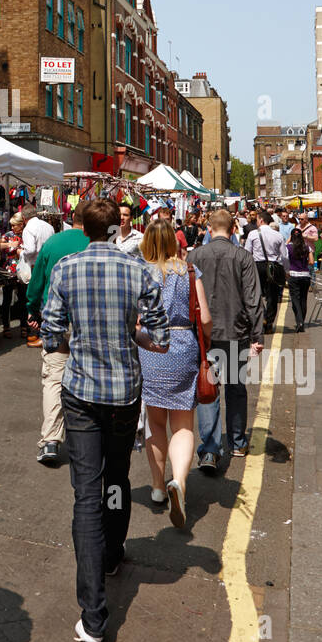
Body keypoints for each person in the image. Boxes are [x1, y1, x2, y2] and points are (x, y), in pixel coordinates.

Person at [40, 199, 170, 642]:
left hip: (80, 394)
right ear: (117, 228)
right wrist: (128, 334)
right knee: (116, 478)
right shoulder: (138, 271)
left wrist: (79, 336)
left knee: (85, 494)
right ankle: (112, 555)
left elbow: (51, 334)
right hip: (123, 394)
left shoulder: (66, 268)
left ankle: (93, 615)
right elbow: (160, 337)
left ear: (81, 226)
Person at [139, 221, 212, 529]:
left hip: (150, 349)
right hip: (183, 348)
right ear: (174, 241)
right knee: (182, 425)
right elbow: (205, 319)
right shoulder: (189, 272)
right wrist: (204, 340)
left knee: (155, 423)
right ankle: (179, 482)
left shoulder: (140, 272)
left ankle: (157, 487)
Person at [190, 208, 264, 470]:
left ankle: (209, 450)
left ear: (209, 229)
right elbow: (253, 299)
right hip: (237, 332)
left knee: (208, 392)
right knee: (236, 388)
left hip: (204, 335)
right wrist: (258, 335)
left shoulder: (194, 256)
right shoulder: (243, 257)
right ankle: (237, 441)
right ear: (233, 229)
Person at [25, 203, 89, 466]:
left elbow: (36, 282)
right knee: (86, 377)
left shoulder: (52, 243)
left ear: (72, 218)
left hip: (55, 321)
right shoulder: (95, 244)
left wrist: (32, 310)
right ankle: (84, 438)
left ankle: (51, 440)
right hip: (88, 323)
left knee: (53, 379)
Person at [245, 209, 289, 334]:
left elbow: (247, 253)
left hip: (257, 266)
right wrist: (286, 270)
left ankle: (262, 315)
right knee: (272, 296)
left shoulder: (253, 234)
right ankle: (269, 323)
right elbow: (284, 256)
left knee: (256, 293)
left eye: (258, 220)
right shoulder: (278, 235)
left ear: (261, 220)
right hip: (273, 266)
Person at [20, 207, 55, 345]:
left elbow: (30, 250)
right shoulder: (48, 226)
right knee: (46, 298)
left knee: (36, 298)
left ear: (24, 218)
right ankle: (42, 332)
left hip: (36, 266)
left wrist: (20, 252)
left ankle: (41, 334)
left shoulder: (28, 228)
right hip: (49, 264)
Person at [0, 213, 27, 338]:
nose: (13, 228)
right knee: (7, 299)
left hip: (22, 270)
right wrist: (10, 245)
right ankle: (6, 326)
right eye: (12, 225)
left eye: (15, 225)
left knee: (23, 299)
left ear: (21, 224)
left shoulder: (27, 234)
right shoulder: (8, 235)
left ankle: (24, 326)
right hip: (9, 270)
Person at [287, 226, 314, 332]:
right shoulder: (307, 247)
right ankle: (302, 319)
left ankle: (299, 321)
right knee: (303, 299)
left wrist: (289, 239)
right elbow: (311, 262)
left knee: (295, 299)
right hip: (305, 275)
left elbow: (284, 256)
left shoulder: (288, 247)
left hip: (293, 275)